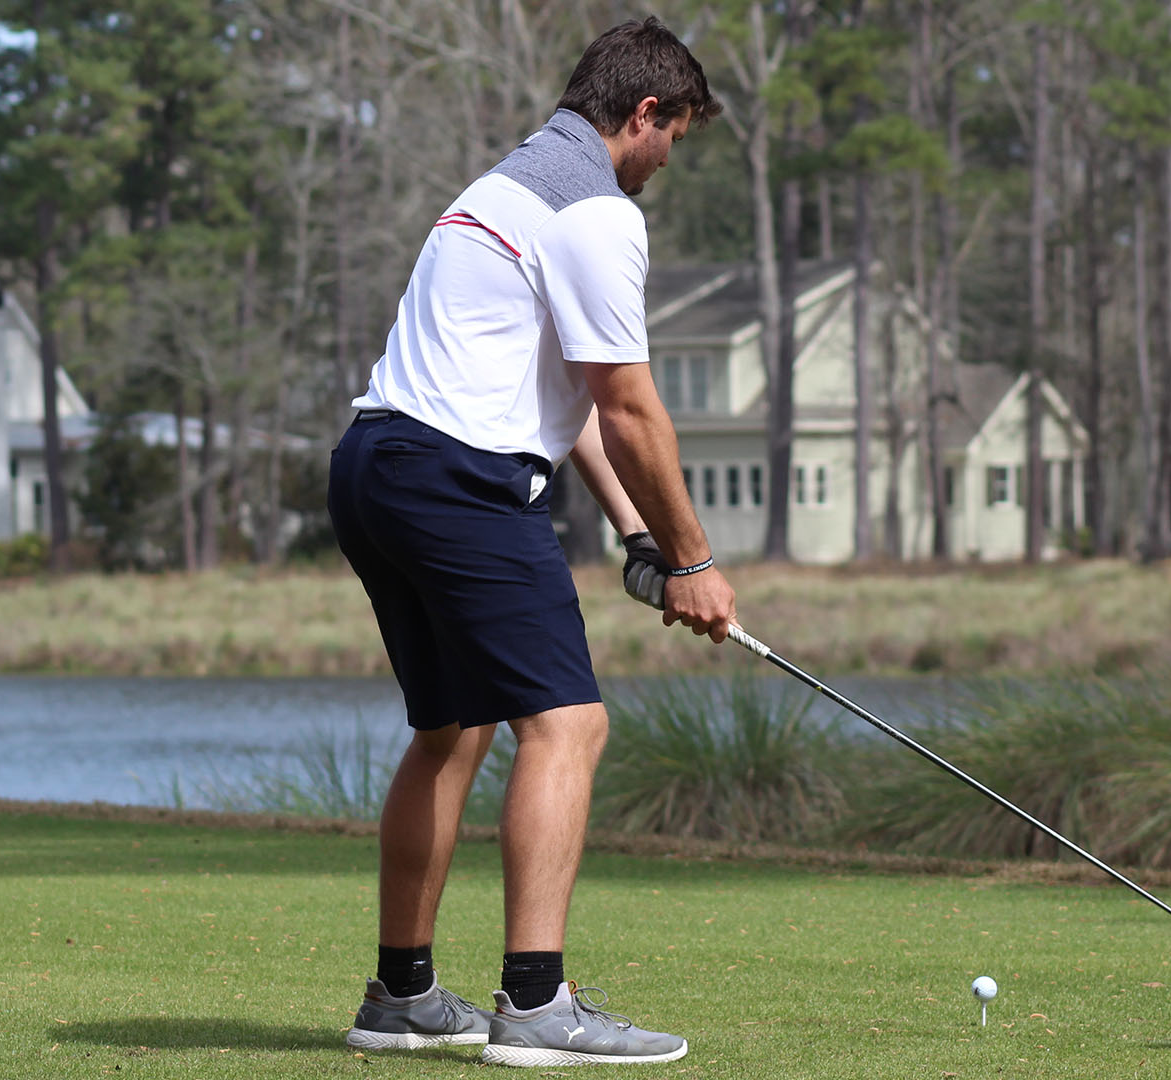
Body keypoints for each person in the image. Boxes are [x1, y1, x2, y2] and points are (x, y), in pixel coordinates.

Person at [325, 15, 736, 1069]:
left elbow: (577, 399)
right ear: (643, 113)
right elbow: (632, 404)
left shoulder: (504, 186)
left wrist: (639, 533)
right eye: (673, 138)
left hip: (375, 465)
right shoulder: (595, 211)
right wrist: (693, 562)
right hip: (460, 480)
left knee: (453, 729)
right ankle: (536, 1006)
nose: (665, 163)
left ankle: (403, 996)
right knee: (568, 727)